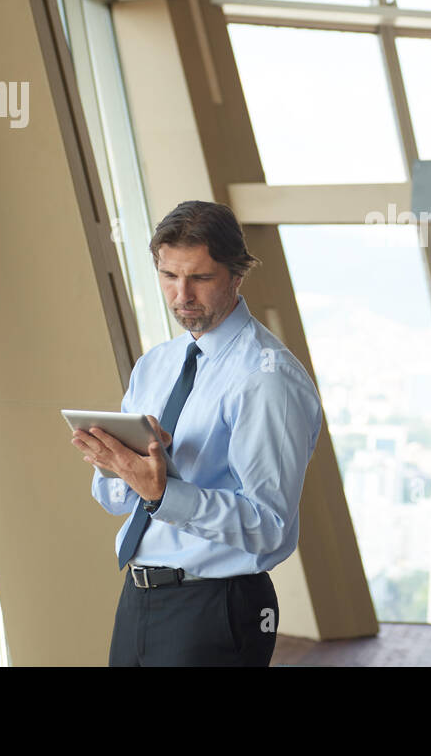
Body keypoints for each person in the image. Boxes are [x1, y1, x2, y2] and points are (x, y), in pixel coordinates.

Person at [71, 200, 323, 666]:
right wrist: (120, 467)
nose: (181, 294)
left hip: (216, 607)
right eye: (169, 276)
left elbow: (270, 526)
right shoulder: (156, 365)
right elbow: (114, 500)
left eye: (200, 278)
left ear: (236, 275)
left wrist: (162, 492)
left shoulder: (267, 379)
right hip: (140, 597)